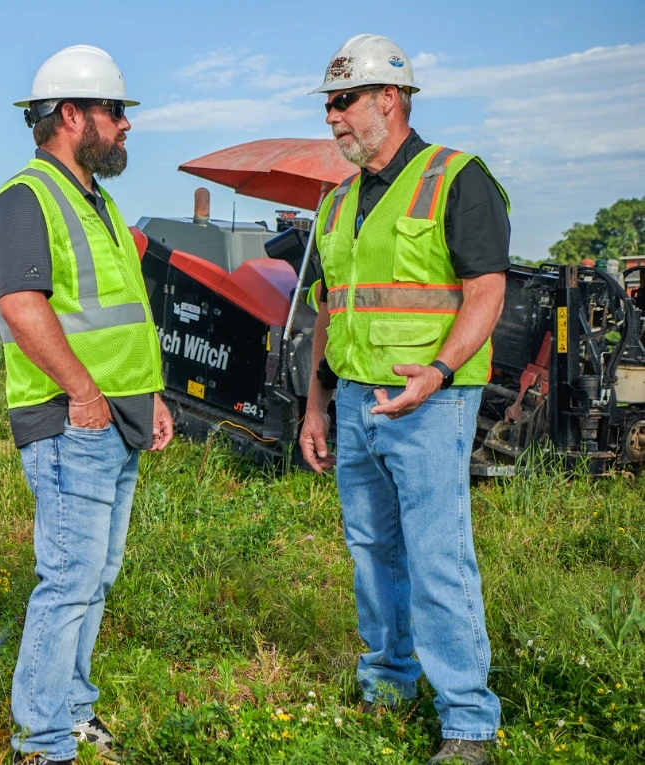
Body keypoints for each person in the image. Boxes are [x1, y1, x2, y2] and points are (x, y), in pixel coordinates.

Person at [298, 34, 511, 765]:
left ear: (389, 98)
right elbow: (330, 306)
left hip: (430, 403)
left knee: (437, 555)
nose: (332, 119)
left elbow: (487, 291)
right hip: (355, 401)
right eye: (328, 105)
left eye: (343, 102)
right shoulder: (338, 203)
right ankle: (389, 683)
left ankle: (468, 723)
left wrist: (442, 371)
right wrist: (316, 404)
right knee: (371, 551)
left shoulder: (457, 177)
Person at [0, 45, 174, 765]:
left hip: (116, 420)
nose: (126, 125)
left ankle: (72, 711)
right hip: (73, 422)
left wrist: (146, 397)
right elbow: (22, 307)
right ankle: (42, 741)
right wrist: (86, 394)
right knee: (68, 582)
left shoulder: (98, 199)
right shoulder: (26, 198)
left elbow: (121, 313)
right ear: (71, 115)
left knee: (94, 577)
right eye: (115, 111)